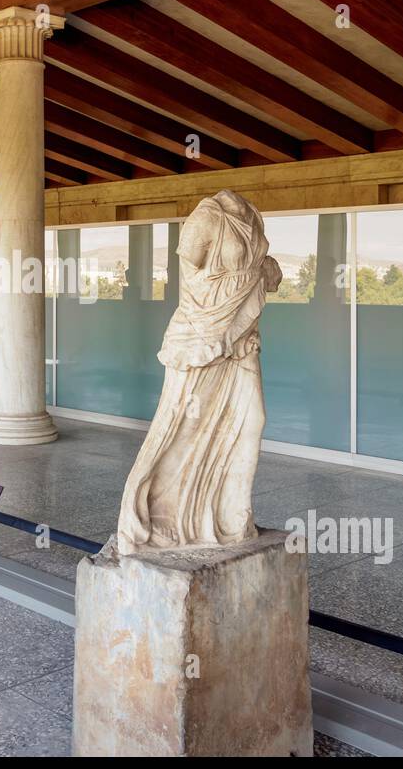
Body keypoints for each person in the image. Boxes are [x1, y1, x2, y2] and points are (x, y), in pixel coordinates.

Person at [116, 191, 282, 555]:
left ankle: (229, 518)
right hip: (202, 337)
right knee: (185, 425)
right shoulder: (207, 216)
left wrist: (266, 272)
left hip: (242, 339)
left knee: (252, 421)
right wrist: (216, 329)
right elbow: (190, 276)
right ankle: (164, 517)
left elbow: (262, 273)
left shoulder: (251, 213)